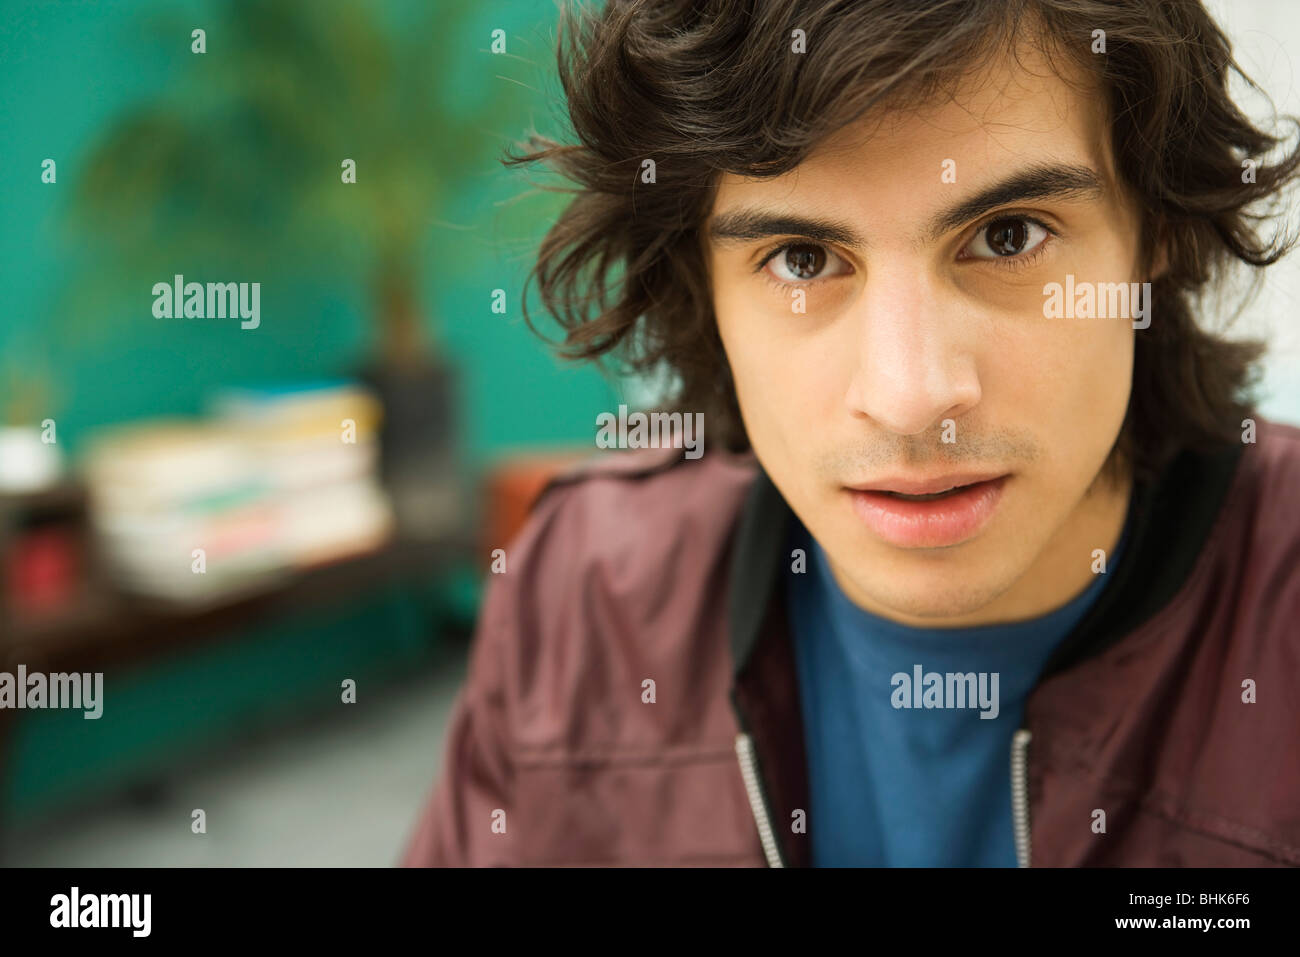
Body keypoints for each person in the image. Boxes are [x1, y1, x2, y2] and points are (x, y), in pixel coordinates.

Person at [403, 0, 1300, 866]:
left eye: (1009, 235)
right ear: (700, 280)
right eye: (802, 259)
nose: (910, 397)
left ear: (1159, 230)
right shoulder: (586, 590)